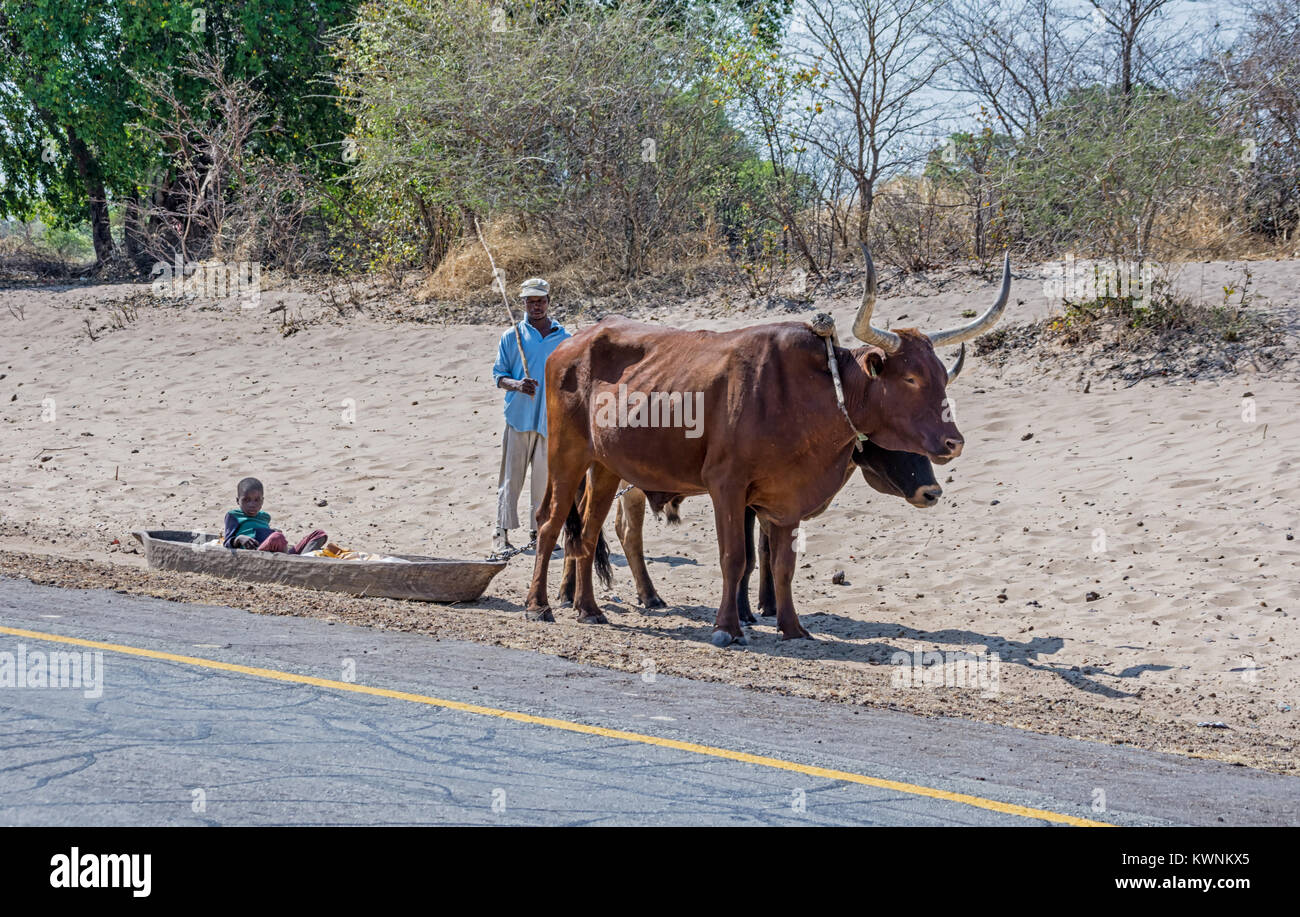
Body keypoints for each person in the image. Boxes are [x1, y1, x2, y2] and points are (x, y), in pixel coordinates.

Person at [491, 277, 570, 556]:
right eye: (531, 301)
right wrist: (518, 385)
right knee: (511, 478)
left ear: (549, 302)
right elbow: (498, 376)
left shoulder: (564, 339)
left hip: (550, 421)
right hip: (519, 417)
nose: (536, 306)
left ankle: (539, 532)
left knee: (543, 480)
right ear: (522, 303)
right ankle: (500, 533)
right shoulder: (511, 336)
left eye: (541, 301)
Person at [223, 477, 327, 554]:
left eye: (257, 500)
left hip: (277, 553)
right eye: (246, 500)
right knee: (277, 537)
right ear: (238, 501)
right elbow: (227, 542)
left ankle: (302, 560)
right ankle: (294, 560)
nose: (252, 505)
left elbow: (259, 531)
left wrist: (271, 531)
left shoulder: (264, 517)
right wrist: (239, 538)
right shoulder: (234, 516)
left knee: (319, 534)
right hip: (258, 553)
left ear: (262, 501)